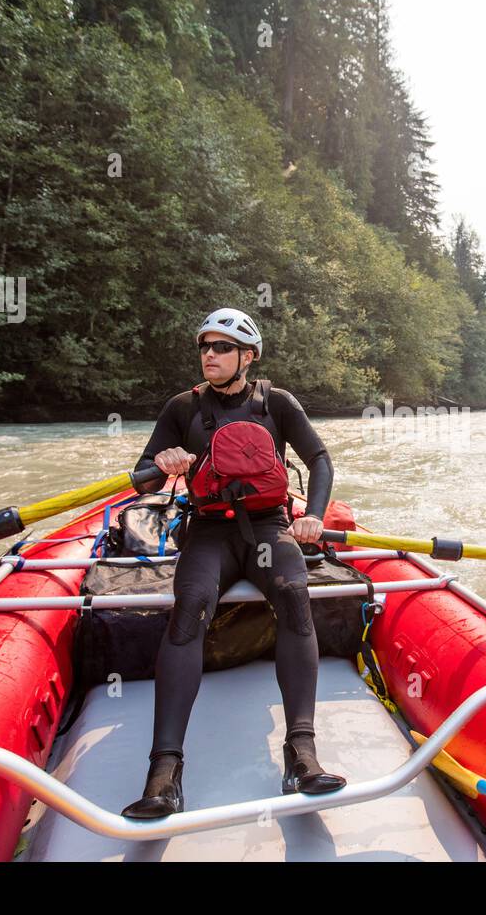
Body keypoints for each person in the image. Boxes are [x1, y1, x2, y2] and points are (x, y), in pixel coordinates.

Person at [121, 307, 346, 819]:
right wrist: (163, 464)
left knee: (293, 595)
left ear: (248, 356)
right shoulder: (182, 407)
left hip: (270, 528)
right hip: (209, 532)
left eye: (222, 348)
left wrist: (312, 515)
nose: (210, 356)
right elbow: (142, 476)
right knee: (191, 605)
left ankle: (301, 752)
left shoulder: (279, 403)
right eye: (205, 347)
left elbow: (320, 459)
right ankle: (165, 770)